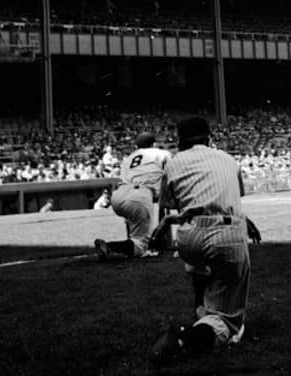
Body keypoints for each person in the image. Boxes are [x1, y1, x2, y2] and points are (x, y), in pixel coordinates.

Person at [149, 116, 262, 367]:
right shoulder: (227, 159)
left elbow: (177, 206)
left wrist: (165, 226)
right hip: (227, 233)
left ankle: (200, 308)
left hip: (189, 238)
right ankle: (183, 338)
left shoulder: (173, 163)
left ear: (180, 141)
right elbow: (227, 199)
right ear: (209, 138)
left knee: (199, 259)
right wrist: (244, 221)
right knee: (228, 322)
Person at [95, 131, 171, 261]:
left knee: (134, 223)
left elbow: (123, 179)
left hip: (119, 195)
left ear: (137, 146)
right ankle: (109, 246)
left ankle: (131, 243)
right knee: (142, 245)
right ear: (154, 144)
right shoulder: (162, 153)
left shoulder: (129, 158)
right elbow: (170, 174)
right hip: (140, 194)